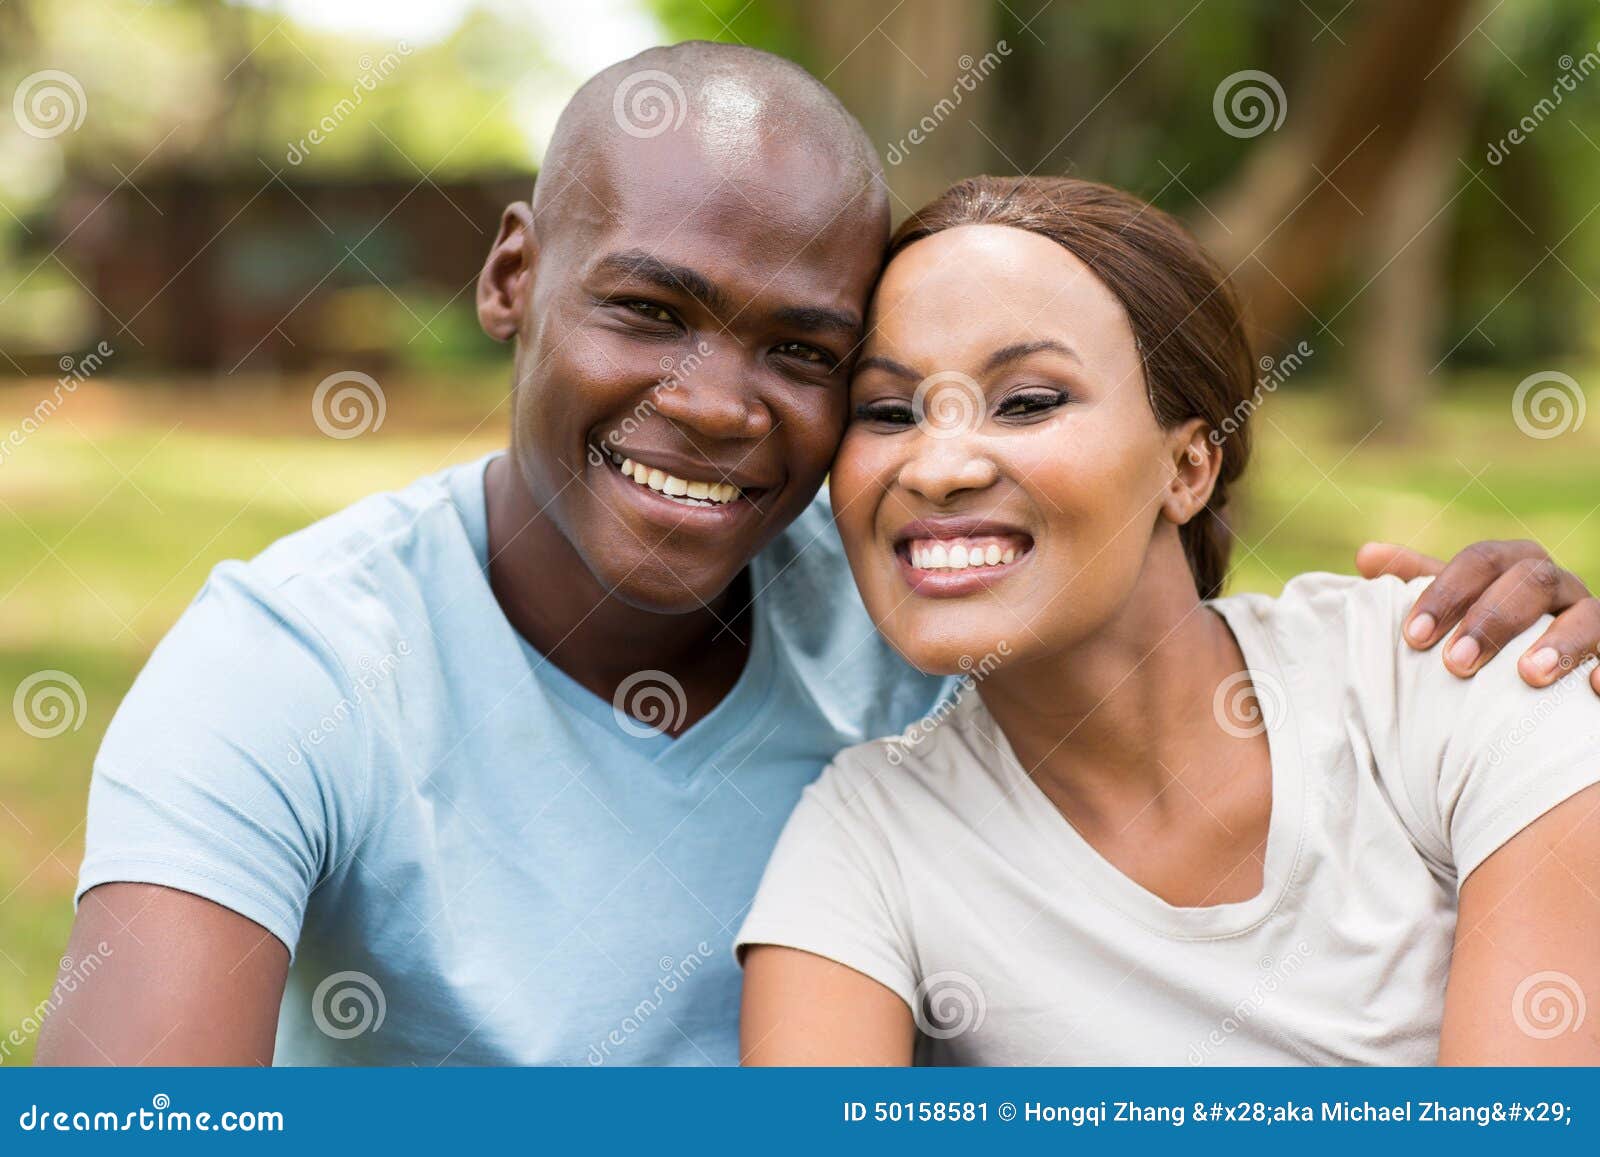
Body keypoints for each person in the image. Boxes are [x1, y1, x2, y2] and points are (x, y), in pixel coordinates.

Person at [38, 44, 1600, 1067]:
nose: (714, 406)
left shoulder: (921, 611)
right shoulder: (292, 666)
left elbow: (1153, 639)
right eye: (648, 310)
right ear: (515, 278)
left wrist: (1508, 652)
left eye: (803, 351)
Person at [736, 175, 1600, 1067]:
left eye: (1028, 401)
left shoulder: (1453, 670)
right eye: (887, 412)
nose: (938, 465)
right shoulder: (871, 834)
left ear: (1188, 466)